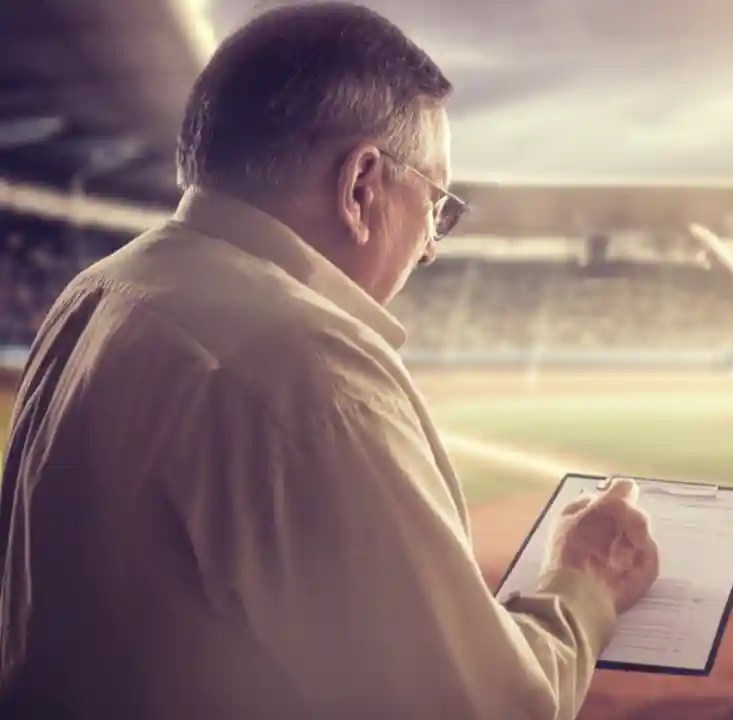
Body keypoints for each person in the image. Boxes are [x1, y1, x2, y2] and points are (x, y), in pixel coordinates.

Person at [0, 4, 659, 718]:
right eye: (438, 203)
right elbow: (480, 708)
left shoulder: (99, 288)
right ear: (360, 186)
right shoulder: (303, 369)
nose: (433, 244)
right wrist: (581, 584)